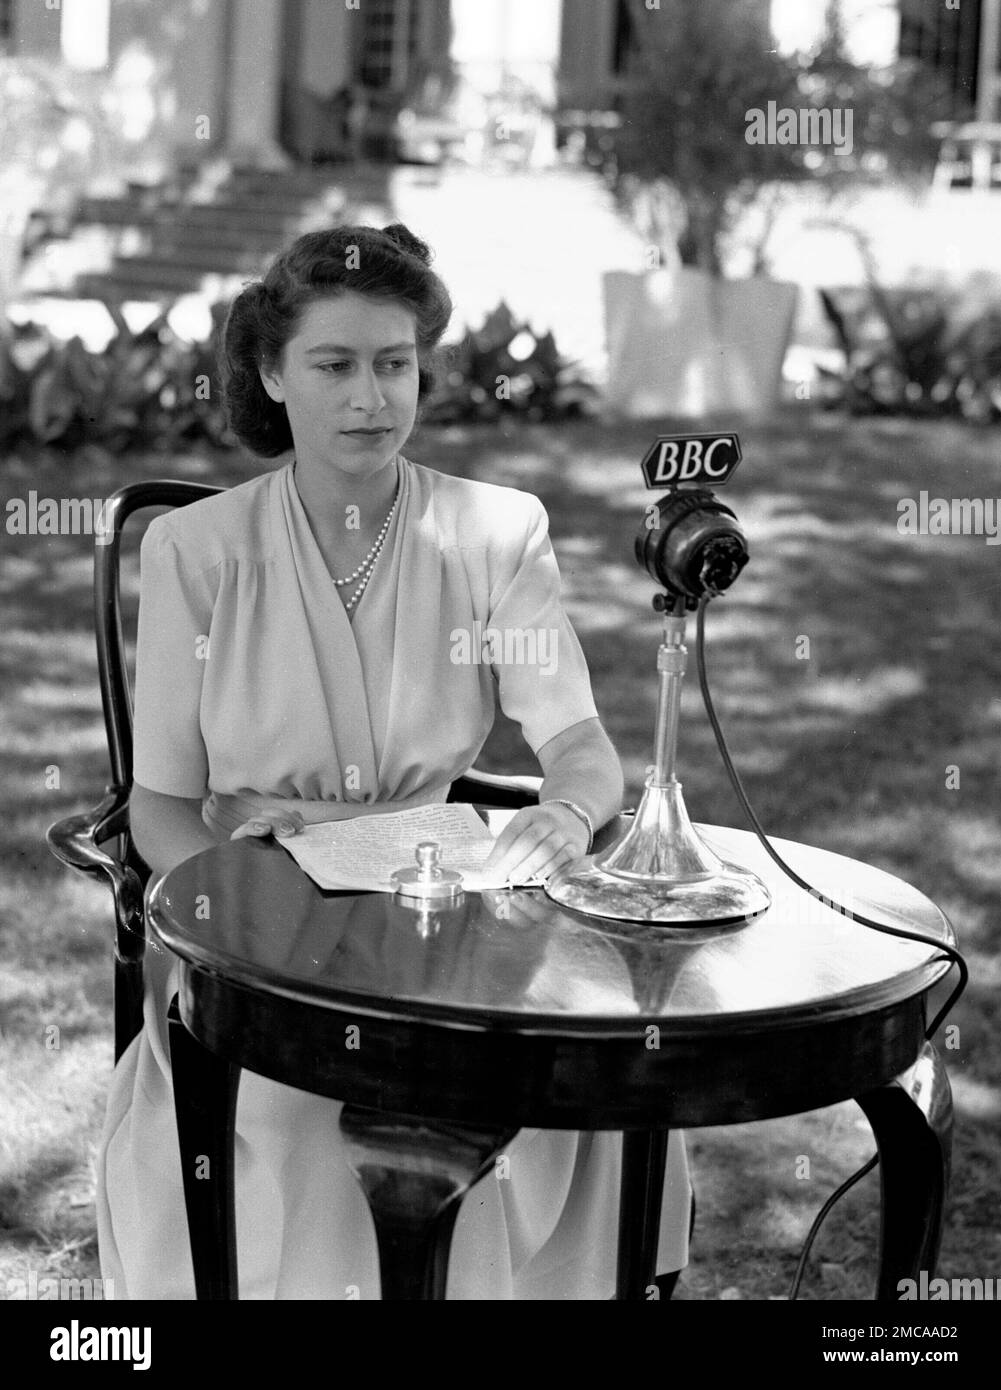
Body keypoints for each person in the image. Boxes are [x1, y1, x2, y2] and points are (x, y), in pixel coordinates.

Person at [95, 222, 693, 1299]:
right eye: (334, 366)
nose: (371, 397)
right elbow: (164, 806)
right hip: (260, 928)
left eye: (394, 364)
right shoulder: (198, 551)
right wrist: (228, 911)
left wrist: (564, 815)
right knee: (314, 1106)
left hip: (445, 914)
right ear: (273, 373)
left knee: (582, 1076)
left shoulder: (496, 534)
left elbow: (581, 749)